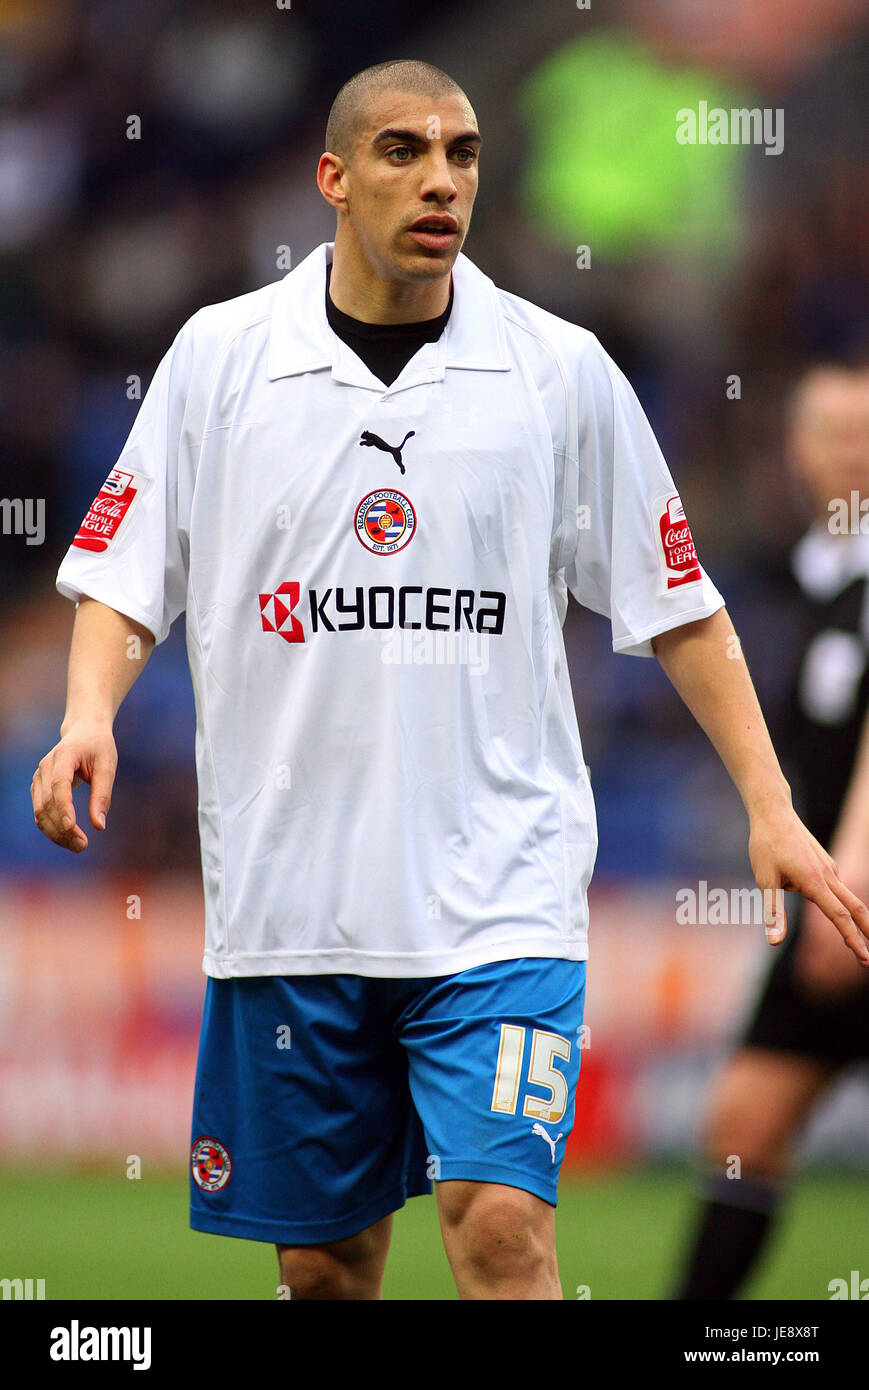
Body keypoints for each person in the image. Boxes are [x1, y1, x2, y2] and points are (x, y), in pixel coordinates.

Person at [32, 61, 869, 1301]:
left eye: (463, 154)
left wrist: (769, 806)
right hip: (289, 911)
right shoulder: (220, 359)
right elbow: (121, 569)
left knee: (497, 1230)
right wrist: (87, 712)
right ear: (330, 176)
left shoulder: (556, 370)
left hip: (499, 903)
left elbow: (679, 608)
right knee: (324, 1268)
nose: (440, 179)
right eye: (403, 151)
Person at [675, 363, 869, 1301]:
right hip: (835, 906)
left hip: (853, 903)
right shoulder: (816, 575)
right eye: (836, 432)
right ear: (796, 449)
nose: (854, 452)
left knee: (747, 1122)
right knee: (745, 1129)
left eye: (867, 432)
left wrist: (855, 879)